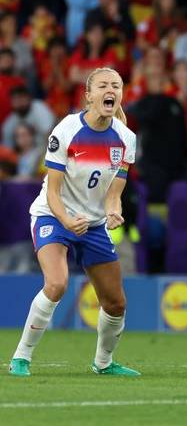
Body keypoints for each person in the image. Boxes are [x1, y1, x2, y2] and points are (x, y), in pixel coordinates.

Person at [9, 67, 138, 377]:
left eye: (116, 86)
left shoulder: (126, 139)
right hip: (53, 215)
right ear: (89, 96)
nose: (111, 90)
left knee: (116, 303)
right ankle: (21, 357)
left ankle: (104, 363)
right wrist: (66, 220)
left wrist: (112, 211)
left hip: (92, 225)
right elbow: (52, 190)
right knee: (56, 283)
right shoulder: (66, 130)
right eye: (104, 85)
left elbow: (114, 193)